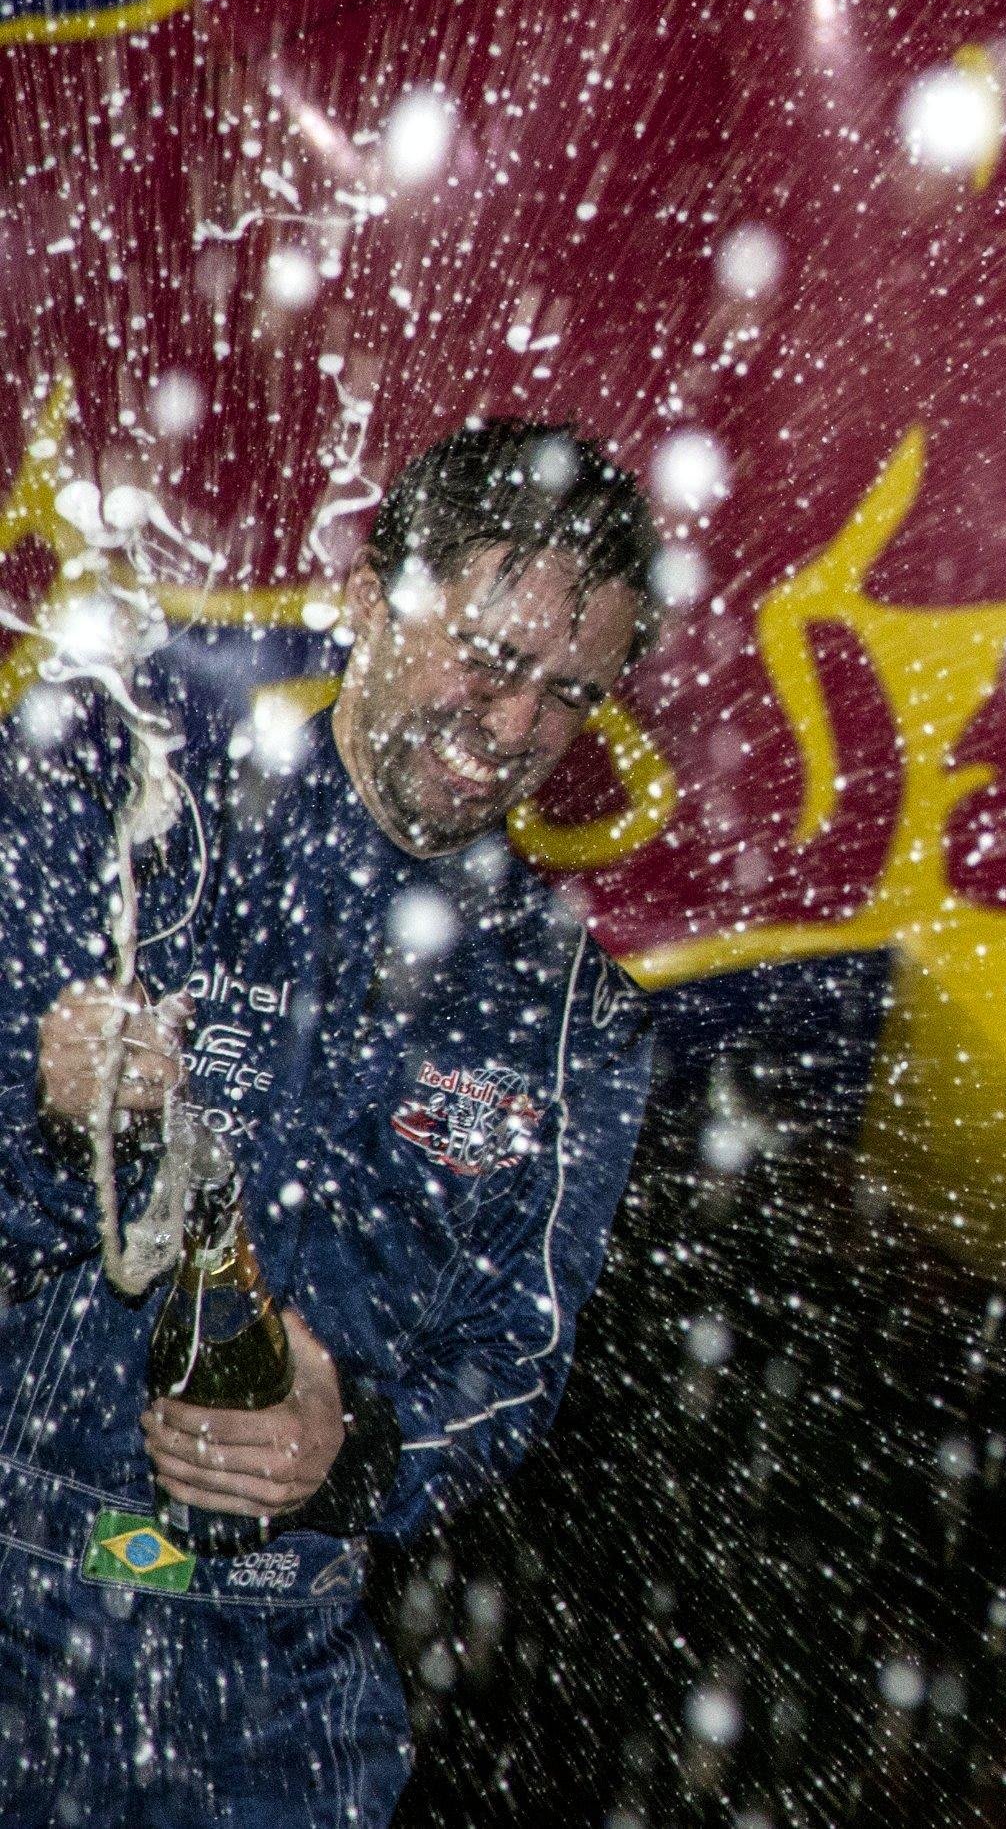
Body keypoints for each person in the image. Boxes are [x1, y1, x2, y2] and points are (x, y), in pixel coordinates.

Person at [0, 420, 661, 1826]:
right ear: (367, 598)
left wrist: (356, 1449)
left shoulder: (573, 1023)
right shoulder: (127, 815)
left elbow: (513, 1367)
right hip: (19, 1616)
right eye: (487, 659)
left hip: (280, 1704)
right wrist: (45, 1114)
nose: (510, 732)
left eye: (567, 695)